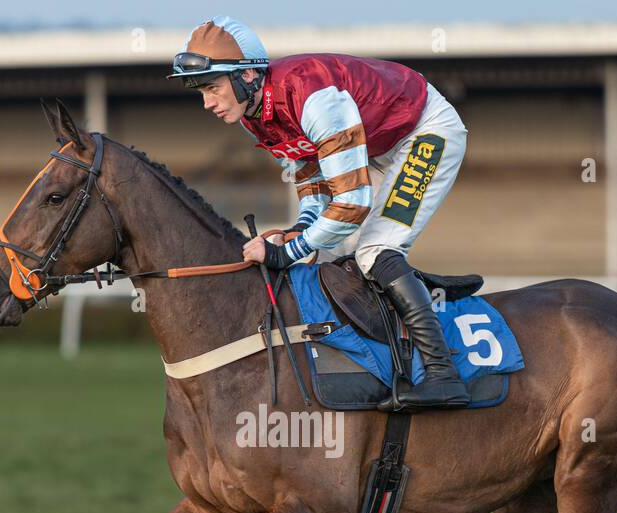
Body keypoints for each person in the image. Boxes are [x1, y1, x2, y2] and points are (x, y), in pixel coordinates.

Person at [168, 16, 470, 408]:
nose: (207, 103)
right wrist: (299, 232)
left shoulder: (313, 99)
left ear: (246, 76)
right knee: (324, 254)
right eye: (201, 91)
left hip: (424, 132)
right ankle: (363, 362)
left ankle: (443, 375)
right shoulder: (253, 117)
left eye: (212, 87)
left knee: (375, 250)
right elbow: (313, 185)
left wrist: (283, 253)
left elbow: (352, 204)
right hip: (376, 148)